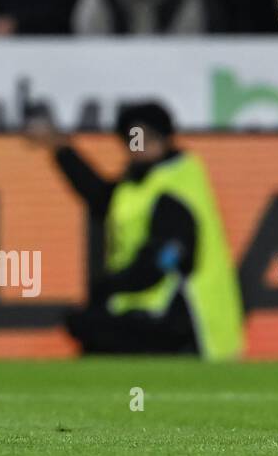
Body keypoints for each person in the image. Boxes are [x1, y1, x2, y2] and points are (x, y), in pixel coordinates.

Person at [26, 102, 245, 360]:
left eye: (147, 138)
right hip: (155, 310)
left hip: (192, 320)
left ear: (165, 139)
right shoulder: (138, 184)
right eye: (132, 139)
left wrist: (109, 287)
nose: (140, 146)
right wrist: (61, 148)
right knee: (86, 324)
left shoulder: (176, 187)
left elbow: (164, 260)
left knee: (93, 329)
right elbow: (99, 197)